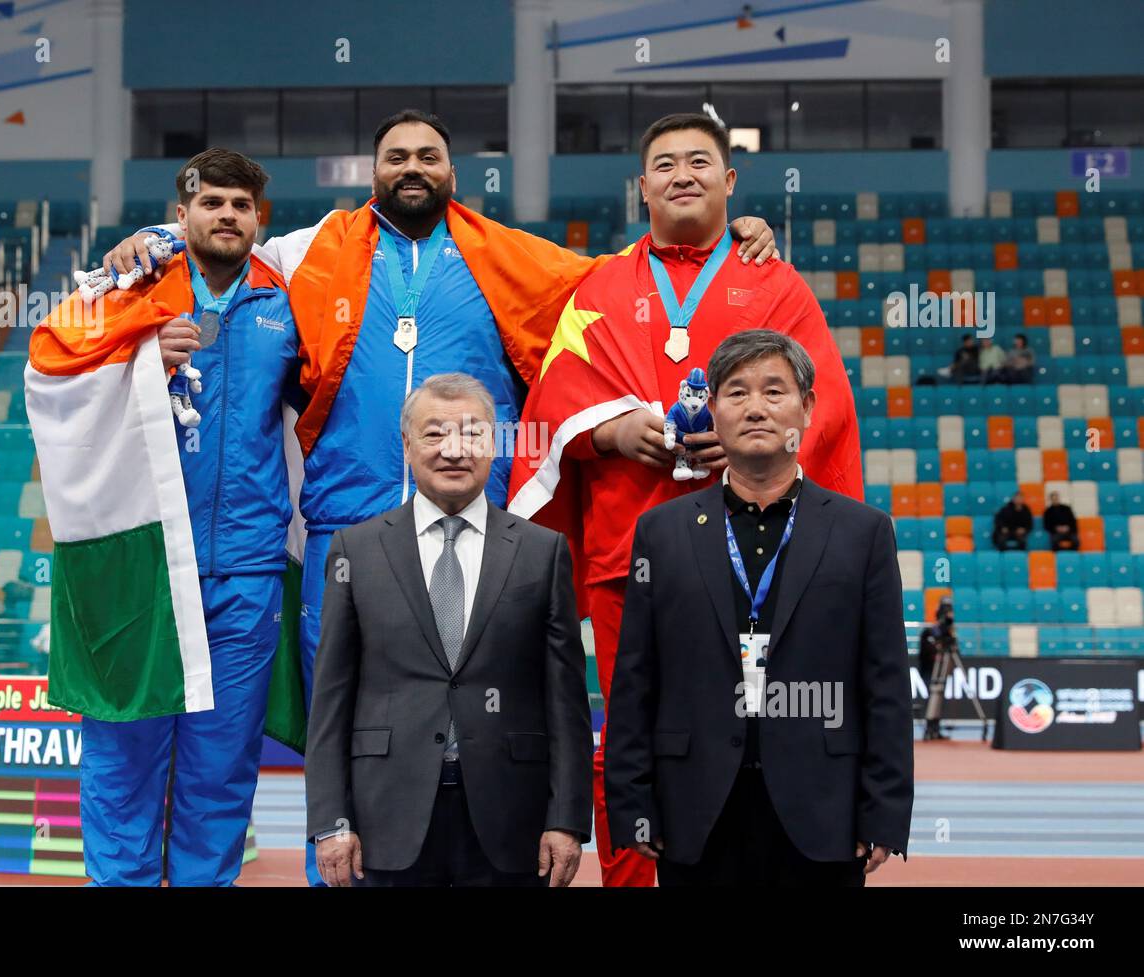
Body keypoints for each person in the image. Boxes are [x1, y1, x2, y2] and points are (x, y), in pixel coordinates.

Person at [102, 109, 778, 885]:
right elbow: (224, 238)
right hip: (343, 534)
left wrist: (728, 227)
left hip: (482, 538)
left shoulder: (512, 259)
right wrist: (152, 236)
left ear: (454, 176)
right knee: (346, 721)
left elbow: (628, 280)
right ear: (374, 172)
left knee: (486, 721)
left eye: (429, 156)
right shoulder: (315, 248)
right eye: (396, 156)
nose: (412, 166)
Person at [504, 112, 863, 887]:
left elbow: (823, 396)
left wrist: (747, 443)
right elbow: (552, 395)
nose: (682, 174)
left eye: (701, 161)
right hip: (626, 545)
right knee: (629, 732)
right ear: (643, 186)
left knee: (760, 730)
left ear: (731, 182)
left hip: (758, 547)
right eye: (664, 163)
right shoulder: (597, 284)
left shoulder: (775, 280)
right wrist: (611, 427)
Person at [604, 330, 913, 886]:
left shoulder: (863, 533)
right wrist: (632, 805)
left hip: (824, 813)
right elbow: (634, 682)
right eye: (737, 392)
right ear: (712, 411)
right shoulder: (662, 532)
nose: (755, 408)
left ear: (807, 407)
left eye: (775, 392)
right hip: (691, 813)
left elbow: (885, 683)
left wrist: (884, 811)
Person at [76, 149, 300, 885]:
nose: (226, 214)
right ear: (182, 214)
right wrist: (139, 355)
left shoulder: (285, 300)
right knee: (125, 754)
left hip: (245, 571)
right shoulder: (129, 287)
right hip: (142, 567)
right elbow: (59, 382)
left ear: (259, 220)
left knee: (221, 764)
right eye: (211, 202)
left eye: (241, 204)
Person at [305, 373, 593, 887]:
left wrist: (567, 819)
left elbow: (566, 702)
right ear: (407, 445)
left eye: (472, 433)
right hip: (386, 819)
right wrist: (331, 821)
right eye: (435, 434)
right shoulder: (357, 551)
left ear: (494, 443)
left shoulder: (542, 552)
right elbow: (331, 699)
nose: (453, 450)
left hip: (512, 820)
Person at [919, 598, 957, 741]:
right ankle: (929, 729)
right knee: (933, 697)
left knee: (939, 698)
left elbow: (955, 651)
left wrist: (951, 636)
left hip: (941, 670)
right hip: (930, 670)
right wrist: (938, 647)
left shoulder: (949, 633)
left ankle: (936, 728)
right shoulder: (929, 632)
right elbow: (926, 652)